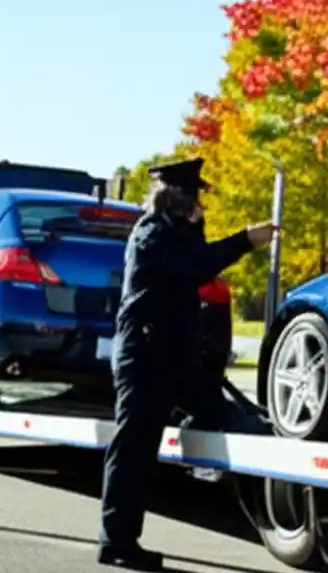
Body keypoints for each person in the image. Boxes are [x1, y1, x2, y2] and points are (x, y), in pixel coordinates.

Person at [98, 157, 277, 571]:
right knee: (134, 450)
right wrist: (244, 240)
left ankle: (250, 469)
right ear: (177, 200)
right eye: (196, 199)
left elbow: (195, 258)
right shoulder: (152, 234)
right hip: (145, 358)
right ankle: (117, 541)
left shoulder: (175, 233)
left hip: (173, 357)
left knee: (225, 414)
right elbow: (196, 266)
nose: (202, 207)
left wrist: (204, 229)